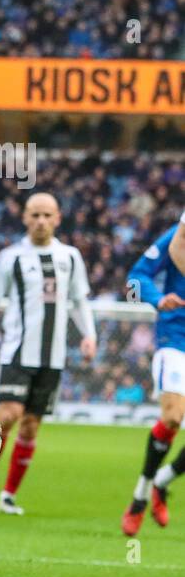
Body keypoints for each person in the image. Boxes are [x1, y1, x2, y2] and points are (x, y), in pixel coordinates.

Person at [0, 193, 97, 515]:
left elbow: (79, 301)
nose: (41, 221)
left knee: (31, 426)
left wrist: (89, 334)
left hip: (52, 358)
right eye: (35, 214)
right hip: (16, 354)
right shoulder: (10, 257)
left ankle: (8, 496)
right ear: (25, 218)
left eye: (46, 215)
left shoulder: (70, 257)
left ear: (57, 218)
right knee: (8, 415)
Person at [121, 212, 185, 535]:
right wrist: (158, 300)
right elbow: (132, 284)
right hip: (175, 339)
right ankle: (140, 496)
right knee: (173, 417)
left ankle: (162, 481)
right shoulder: (175, 238)